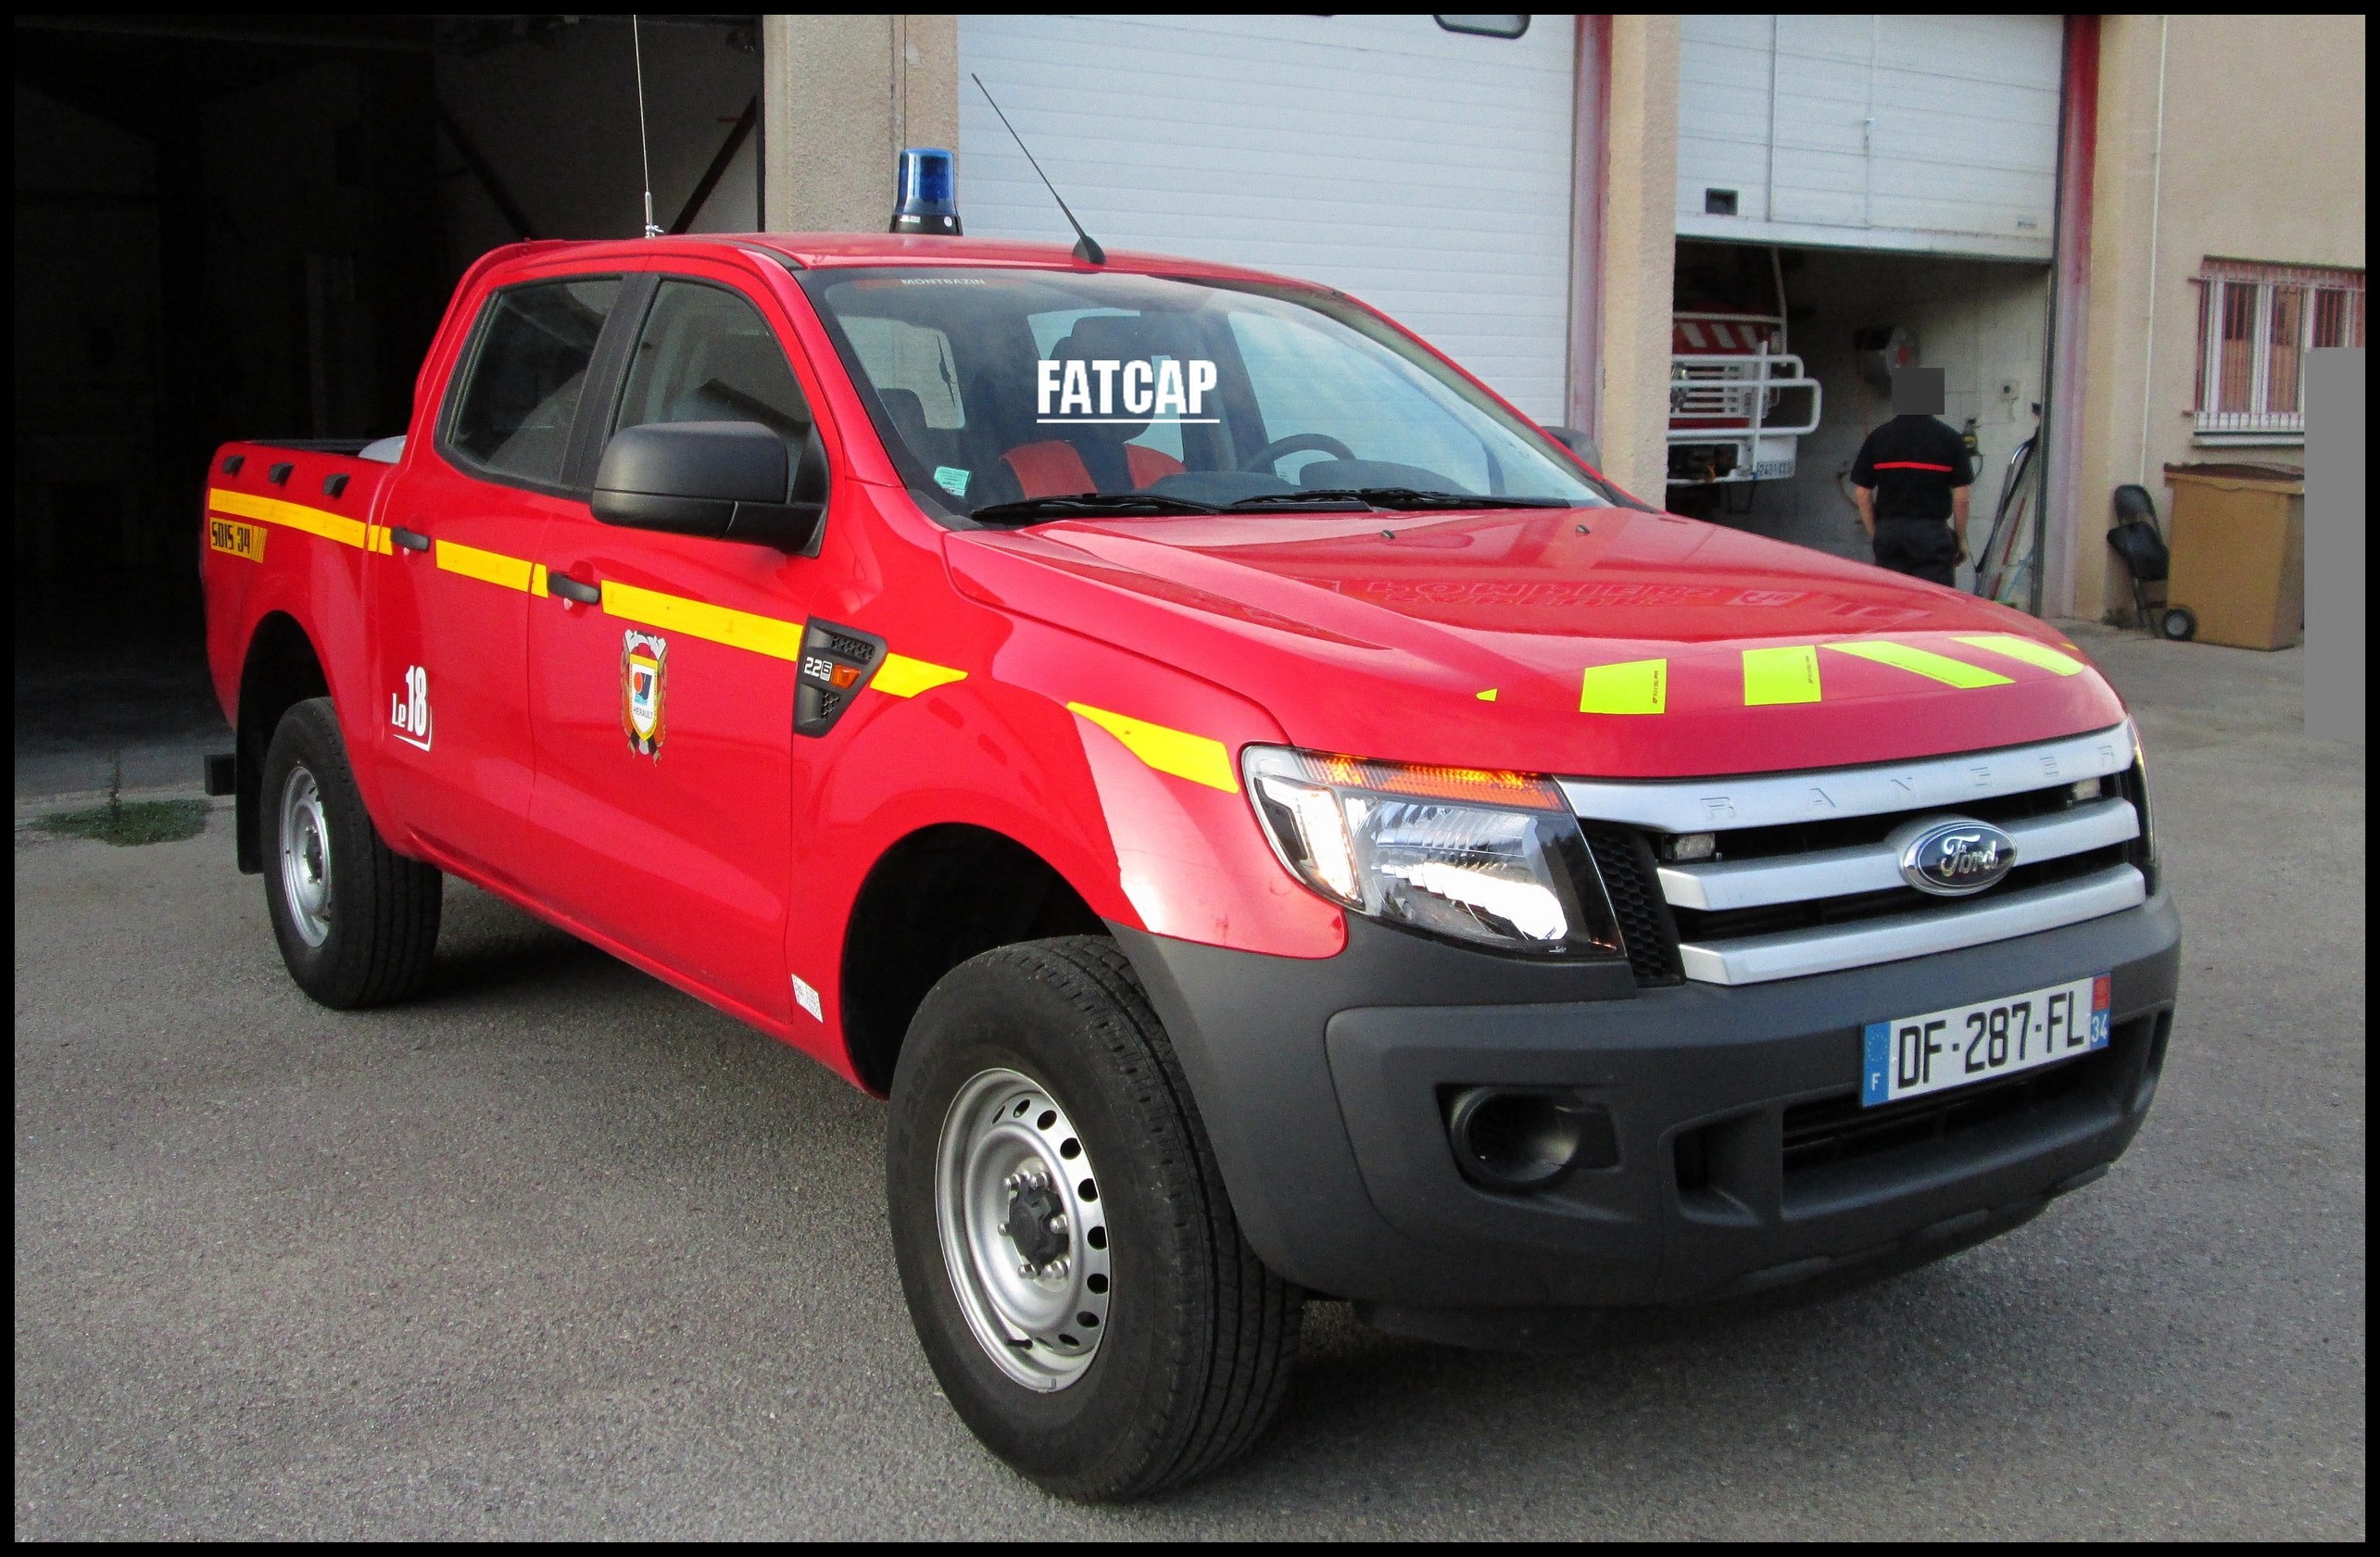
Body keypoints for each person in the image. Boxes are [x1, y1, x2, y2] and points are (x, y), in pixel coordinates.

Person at [1850, 367, 1973, 586]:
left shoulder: (1879, 437)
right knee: (1933, 605)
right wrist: (1961, 540)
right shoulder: (1950, 439)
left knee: (1891, 601)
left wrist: (1876, 533)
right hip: (1931, 535)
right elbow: (1962, 498)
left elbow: (1862, 493)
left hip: (1890, 532)